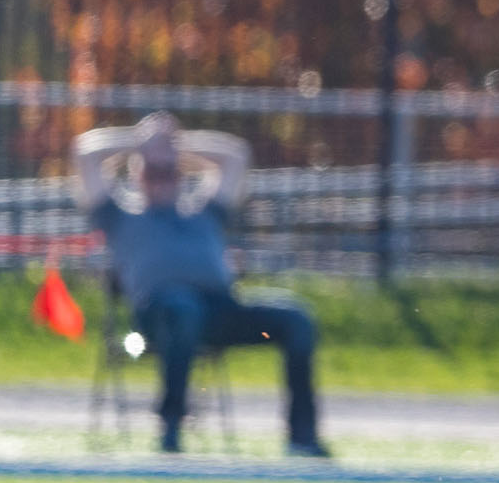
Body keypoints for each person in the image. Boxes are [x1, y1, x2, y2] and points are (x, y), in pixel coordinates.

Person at [71, 112, 327, 456]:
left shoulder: (206, 211)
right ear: (137, 174)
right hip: (157, 318)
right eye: (153, 170)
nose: (162, 179)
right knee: (182, 308)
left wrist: (174, 144)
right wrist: (142, 142)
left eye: (169, 171)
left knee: (297, 319)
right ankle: (171, 426)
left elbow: (237, 155)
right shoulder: (118, 215)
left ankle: (302, 438)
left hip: (219, 312)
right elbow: (85, 152)